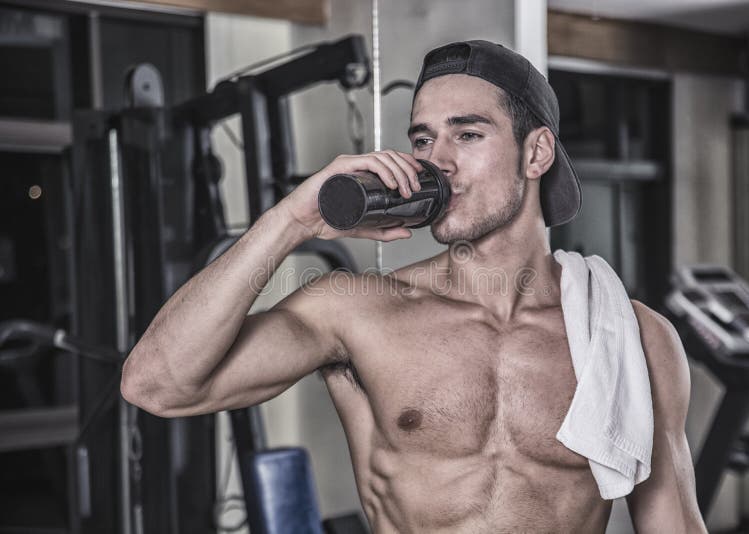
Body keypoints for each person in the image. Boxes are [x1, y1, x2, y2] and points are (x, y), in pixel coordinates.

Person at [121, 40, 706, 533]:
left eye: (467, 135)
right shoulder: (356, 312)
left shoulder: (632, 338)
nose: (437, 161)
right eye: (423, 139)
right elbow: (158, 386)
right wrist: (292, 222)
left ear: (536, 152)